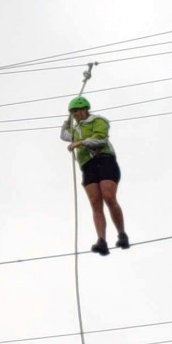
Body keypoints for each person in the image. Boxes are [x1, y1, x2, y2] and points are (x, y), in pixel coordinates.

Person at [61, 96, 127, 256]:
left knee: (108, 197)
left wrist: (81, 143)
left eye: (77, 111)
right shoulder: (75, 130)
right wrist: (67, 120)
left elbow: (100, 139)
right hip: (87, 166)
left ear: (85, 109)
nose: (76, 115)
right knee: (95, 204)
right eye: (73, 113)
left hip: (104, 160)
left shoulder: (98, 120)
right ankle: (102, 241)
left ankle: (121, 234)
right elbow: (64, 135)